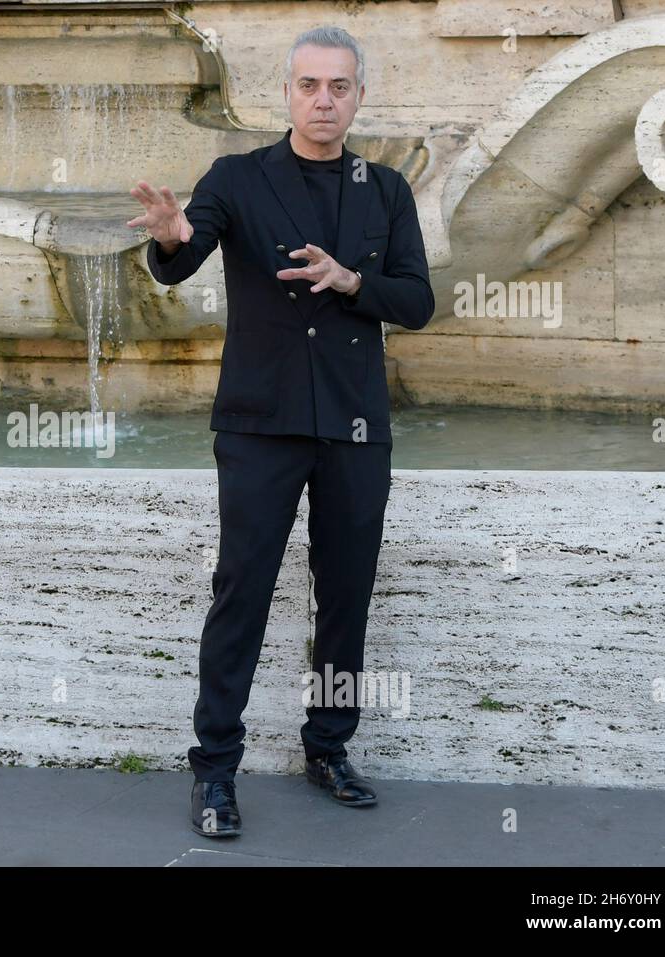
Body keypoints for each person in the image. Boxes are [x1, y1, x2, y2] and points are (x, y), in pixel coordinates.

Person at [126, 25, 435, 838]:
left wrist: (351, 278)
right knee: (244, 591)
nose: (323, 99)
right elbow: (186, 250)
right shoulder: (239, 177)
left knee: (345, 597)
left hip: (355, 424)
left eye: (339, 86)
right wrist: (168, 235)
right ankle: (216, 769)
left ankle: (328, 748)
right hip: (260, 424)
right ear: (288, 93)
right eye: (309, 85)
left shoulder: (387, 190)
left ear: (358, 96)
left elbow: (417, 301)